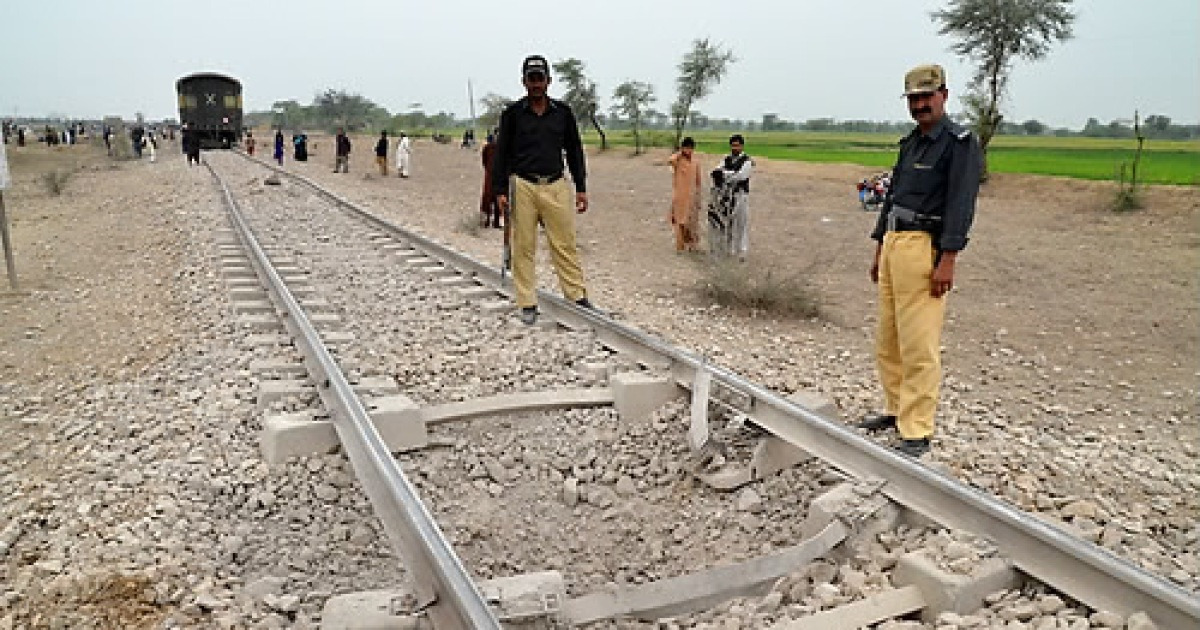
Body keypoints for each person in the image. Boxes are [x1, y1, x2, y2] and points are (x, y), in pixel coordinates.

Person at [858, 64, 983, 458]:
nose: (920, 105)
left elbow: (961, 204)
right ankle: (895, 410)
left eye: (927, 97)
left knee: (919, 342)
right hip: (896, 241)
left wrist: (949, 258)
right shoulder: (911, 143)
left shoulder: (959, 143)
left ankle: (917, 429)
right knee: (888, 339)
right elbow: (892, 197)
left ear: (944, 95)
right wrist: (880, 247)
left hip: (924, 246)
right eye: (913, 98)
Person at [492, 54, 593, 325]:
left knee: (565, 244)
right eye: (531, 78)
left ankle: (576, 296)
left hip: (556, 185)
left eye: (540, 78)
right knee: (523, 247)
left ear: (549, 81)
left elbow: (574, 150)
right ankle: (527, 302)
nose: (536, 84)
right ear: (524, 82)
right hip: (523, 185)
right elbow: (501, 154)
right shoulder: (512, 115)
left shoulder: (563, 113)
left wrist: (581, 187)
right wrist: (499, 190)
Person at [707, 134, 753, 259]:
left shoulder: (747, 161)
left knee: (741, 223)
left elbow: (741, 176)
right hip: (727, 195)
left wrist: (725, 174)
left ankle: (742, 250)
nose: (735, 147)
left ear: (742, 146)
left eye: (737, 145)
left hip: (741, 195)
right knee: (729, 223)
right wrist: (726, 174)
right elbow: (716, 171)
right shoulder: (726, 159)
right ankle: (730, 249)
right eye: (733, 145)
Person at [668, 137, 703, 252]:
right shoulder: (678, 161)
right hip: (680, 196)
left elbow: (698, 181)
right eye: (686, 148)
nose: (688, 151)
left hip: (692, 197)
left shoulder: (696, 162)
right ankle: (680, 245)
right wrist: (679, 153)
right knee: (680, 221)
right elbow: (671, 160)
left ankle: (692, 244)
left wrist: (698, 196)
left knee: (692, 222)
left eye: (690, 148)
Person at [479, 132, 500, 227]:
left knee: (498, 198)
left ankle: (496, 222)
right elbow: (484, 160)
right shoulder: (488, 148)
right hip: (490, 175)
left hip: (496, 175)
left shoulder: (501, 148)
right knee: (488, 197)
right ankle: (486, 221)